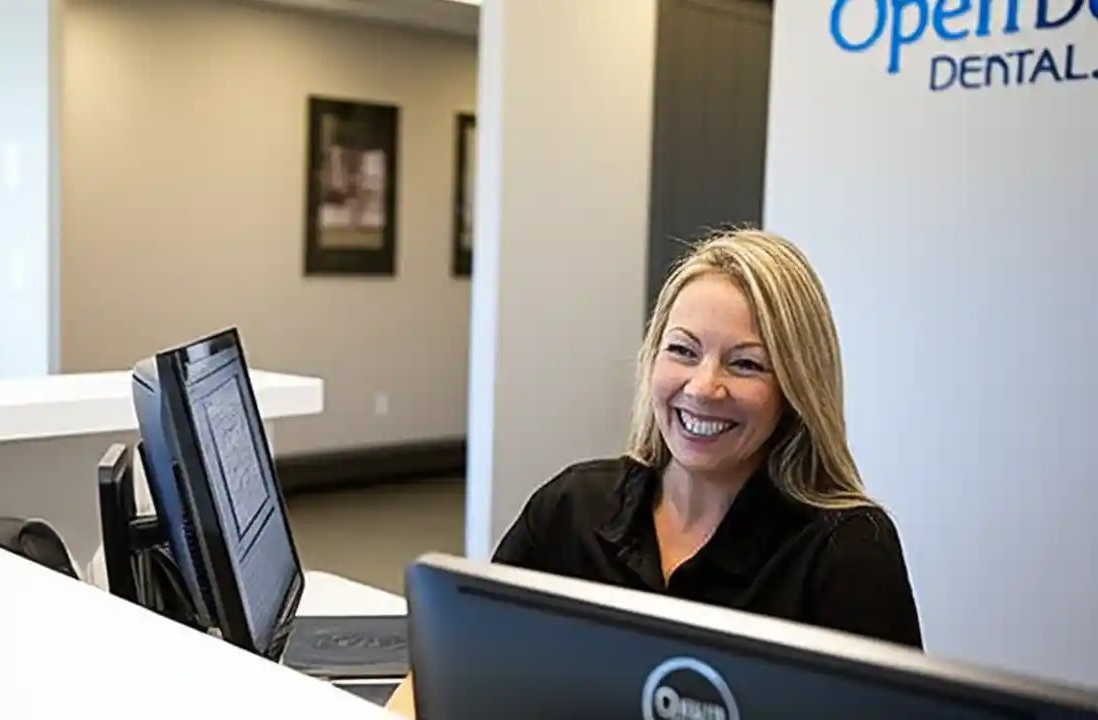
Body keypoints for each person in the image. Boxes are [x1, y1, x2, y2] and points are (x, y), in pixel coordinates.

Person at [385, 229, 922, 717]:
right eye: (683, 351)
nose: (703, 387)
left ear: (795, 388)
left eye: (746, 363)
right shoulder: (572, 507)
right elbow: (448, 670)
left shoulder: (847, 551)